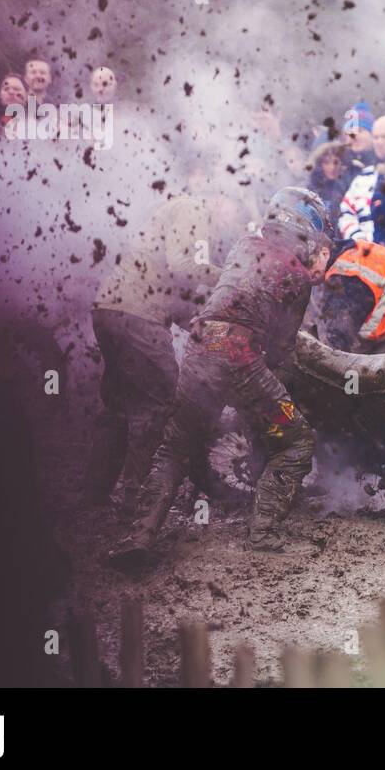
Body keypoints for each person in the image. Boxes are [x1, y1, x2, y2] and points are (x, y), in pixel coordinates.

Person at [106, 189, 333, 565]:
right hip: (240, 357)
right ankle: (264, 535)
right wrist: (275, 405)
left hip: (198, 350)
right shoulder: (298, 277)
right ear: (308, 233)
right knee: (297, 441)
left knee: (175, 446)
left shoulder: (243, 246)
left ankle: (138, 537)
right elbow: (281, 352)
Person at [86, 166, 250, 510]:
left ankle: (94, 492)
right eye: (235, 212)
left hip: (111, 310)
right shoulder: (194, 208)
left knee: (118, 404)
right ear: (222, 200)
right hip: (138, 316)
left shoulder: (179, 215)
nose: (230, 224)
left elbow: (176, 292)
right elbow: (181, 265)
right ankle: (137, 496)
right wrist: (233, 279)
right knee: (160, 404)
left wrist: (209, 331)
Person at [337, 114, 385, 240]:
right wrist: (358, 240)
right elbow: (346, 211)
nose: (379, 142)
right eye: (376, 137)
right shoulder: (365, 175)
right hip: (363, 252)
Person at [306, 140, 350, 229]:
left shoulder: (350, 186)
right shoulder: (311, 188)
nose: (332, 167)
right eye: (326, 162)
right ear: (319, 164)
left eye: (336, 162)